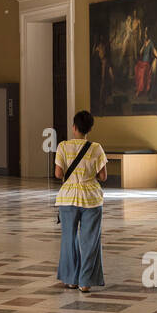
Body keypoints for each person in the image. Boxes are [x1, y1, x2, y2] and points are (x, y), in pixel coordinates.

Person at [54, 110, 108, 293]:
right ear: (89, 129)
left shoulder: (63, 146)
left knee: (69, 239)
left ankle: (71, 280)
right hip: (91, 199)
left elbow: (58, 174)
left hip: (68, 197)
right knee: (90, 240)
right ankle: (86, 281)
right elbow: (103, 176)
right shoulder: (96, 148)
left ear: (74, 127)